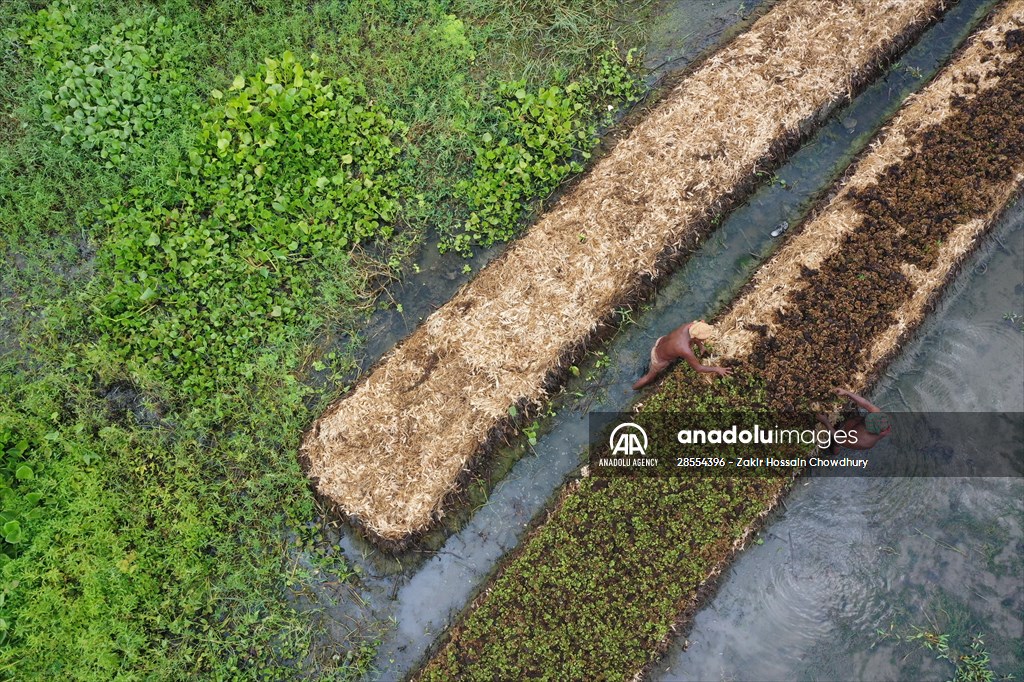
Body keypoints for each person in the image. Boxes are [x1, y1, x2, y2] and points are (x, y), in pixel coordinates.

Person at [632, 320, 731, 390]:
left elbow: (695, 336)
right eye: (703, 339)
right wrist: (717, 369)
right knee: (649, 377)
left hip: (661, 342)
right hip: (658, 359)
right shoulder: (685, 349)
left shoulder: (690, 325)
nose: (704, 340)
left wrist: (701, 347)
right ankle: (633, 388)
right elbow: (699, 368)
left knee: (669, 350)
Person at [816, 387, 892, 451]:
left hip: (846, 435)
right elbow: (866, 404)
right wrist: (846, 393)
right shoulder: (880, 417)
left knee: (836, 445)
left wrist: (825, 422)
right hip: (853, 424)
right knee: (856, 418)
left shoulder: (863, 441)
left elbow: (840, 440)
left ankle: (835, 449)